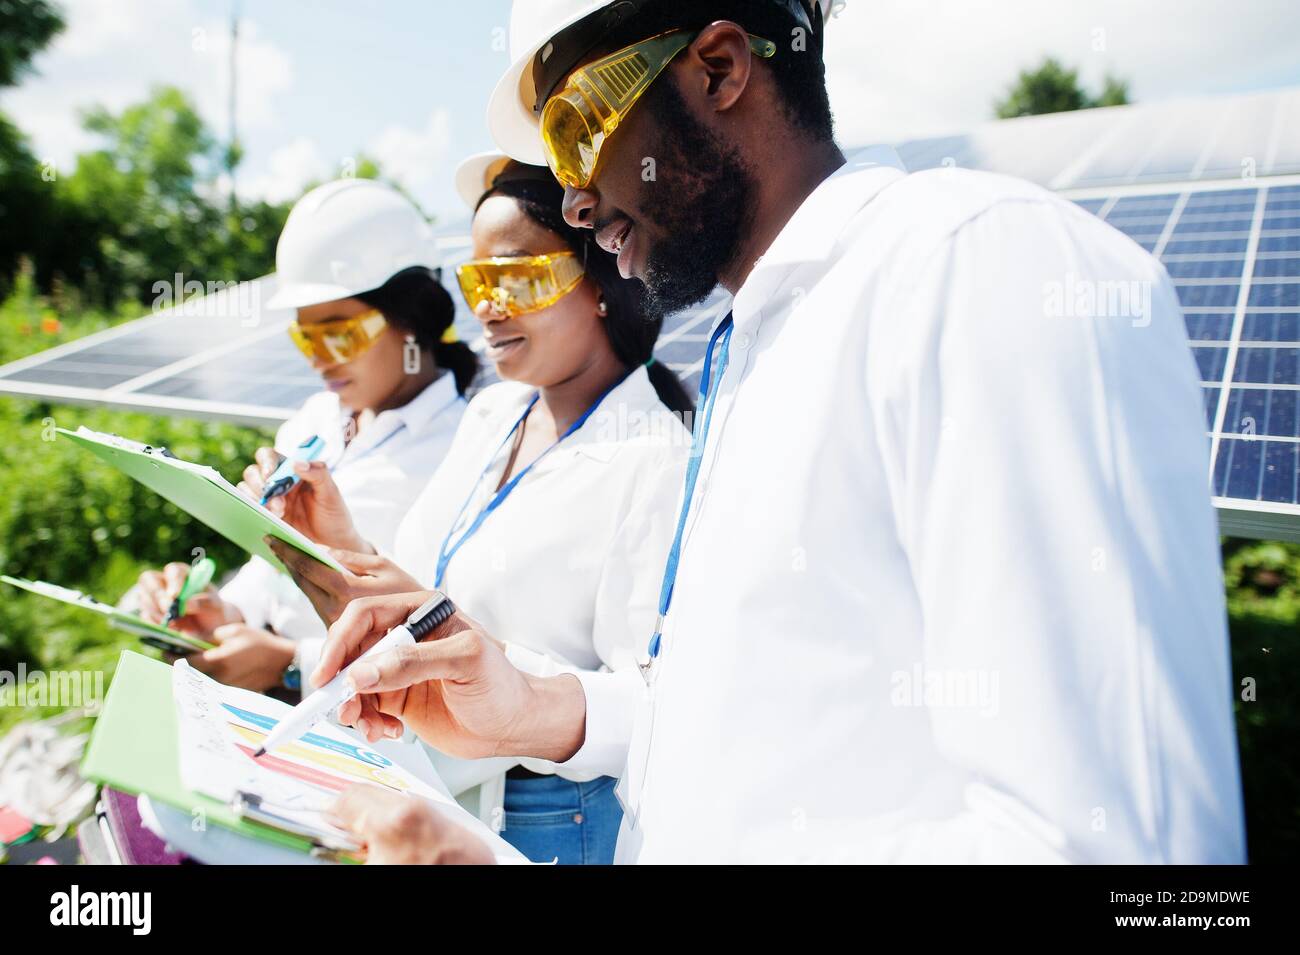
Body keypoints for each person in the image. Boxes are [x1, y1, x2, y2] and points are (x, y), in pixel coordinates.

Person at [318, 0, 1246, 864]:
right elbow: (750, 733)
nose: (575, 201)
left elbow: (1117, 850)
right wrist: (533, 707)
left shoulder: (976, 270)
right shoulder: (757, 346)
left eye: (577, 132)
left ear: (719, 68)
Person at [264, 154, 692, 864]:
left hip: (544, 822)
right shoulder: (495, 410)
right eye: (477, 280)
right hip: (434, 784)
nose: (487, 305)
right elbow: (431, 599)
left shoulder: (655, 459)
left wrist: (518, 694)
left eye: (516, 277)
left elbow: (651, 708)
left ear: (606, 281)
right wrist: (335, 540)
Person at [128, 178, 477, 694]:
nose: (317, 357)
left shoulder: (468, 448)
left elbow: (445, 636)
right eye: (303, 336)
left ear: (415, 317)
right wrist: (221, 610)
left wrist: (291, 663)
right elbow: (269, 571)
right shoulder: (314, 418)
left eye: (338, 334)